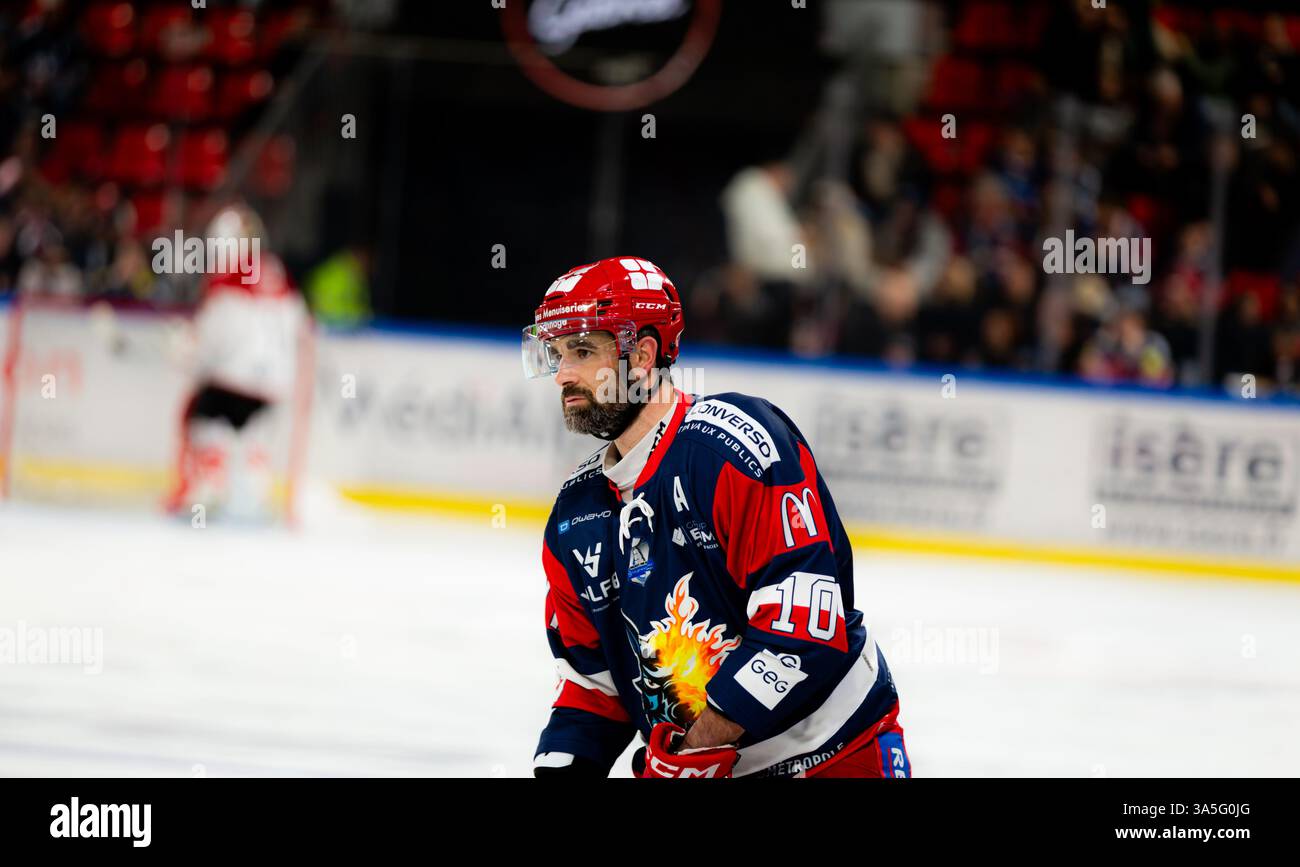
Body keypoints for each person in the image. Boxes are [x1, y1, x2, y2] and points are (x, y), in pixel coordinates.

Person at [521, 256, 909, 778]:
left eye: (583, 350)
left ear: (642, 356)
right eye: (557, 353)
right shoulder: (576, 516)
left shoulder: (733, 447)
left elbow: (803, 629)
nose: (562, 374)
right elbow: (596, 684)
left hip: (834, 753)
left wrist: (694, 751)